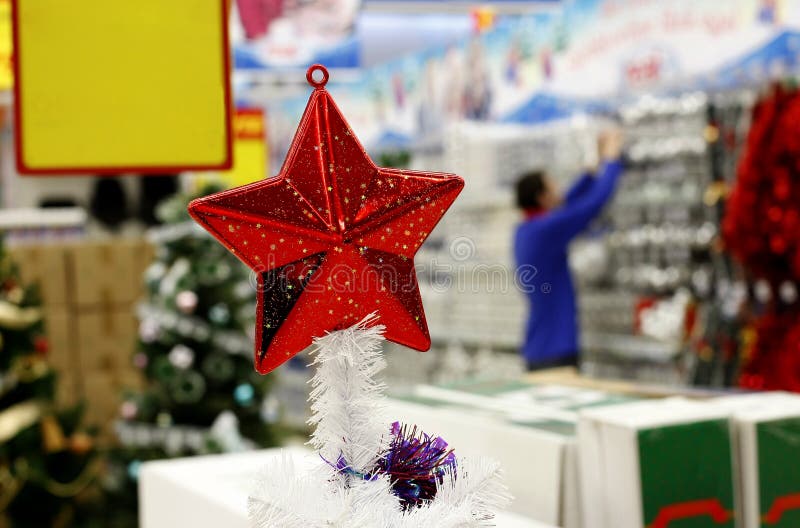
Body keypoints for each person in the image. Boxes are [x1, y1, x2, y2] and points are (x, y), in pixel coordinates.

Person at [514, 130, 623, 371]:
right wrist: (613, 160)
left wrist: (593, 167)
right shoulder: (545, 230)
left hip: (540, 349)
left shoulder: (528, 229)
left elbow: (567, 203)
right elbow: (591, 205)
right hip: (556, 353)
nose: (560, 191)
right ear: (543, 198)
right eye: (554, 187)